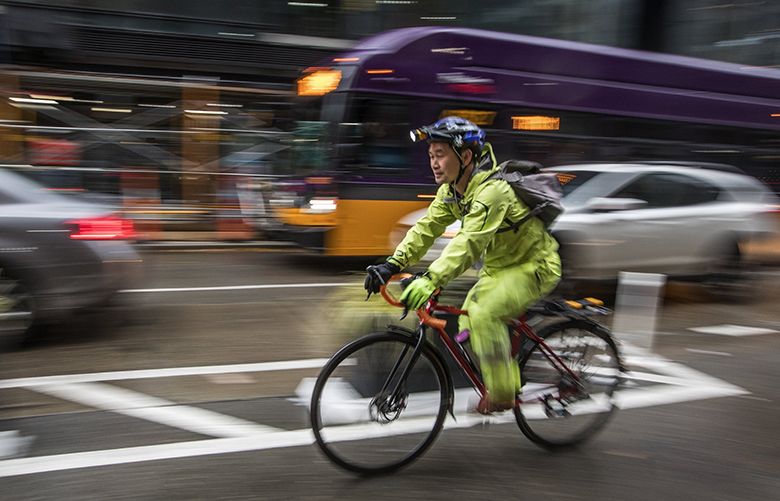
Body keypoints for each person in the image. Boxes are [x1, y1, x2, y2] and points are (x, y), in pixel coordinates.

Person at [364, 116, 561, 413]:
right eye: (431, 155)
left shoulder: (493, 192)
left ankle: (503, 393)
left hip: (534, 267)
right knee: (467, 320)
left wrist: (431, 279)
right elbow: (426, 228)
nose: (433, 162)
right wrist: (392, 264)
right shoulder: (453, 192)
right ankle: (508, 371)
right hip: (498, 271)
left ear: (466, 156)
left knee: (483, 314)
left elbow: (468, 243)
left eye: (440, 154)